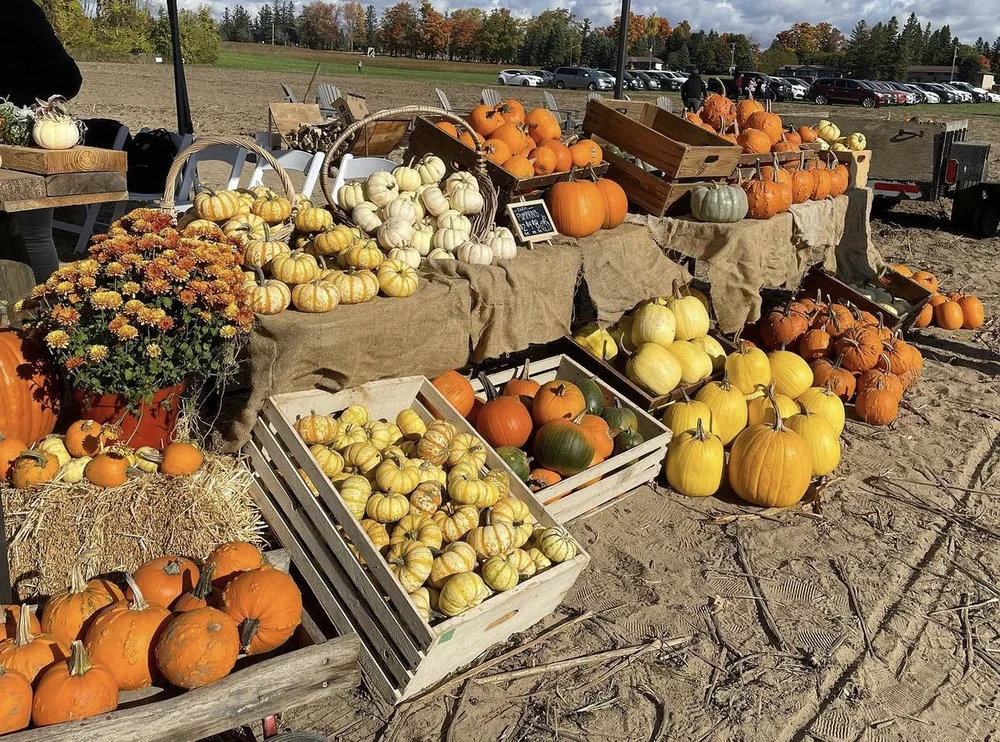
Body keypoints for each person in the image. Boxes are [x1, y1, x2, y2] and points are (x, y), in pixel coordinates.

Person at [0, 0, 82, 284]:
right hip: (15, 143)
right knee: (32, 237)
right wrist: (35, 101)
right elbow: (66, 78)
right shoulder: (18, 9)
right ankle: (46, 318)